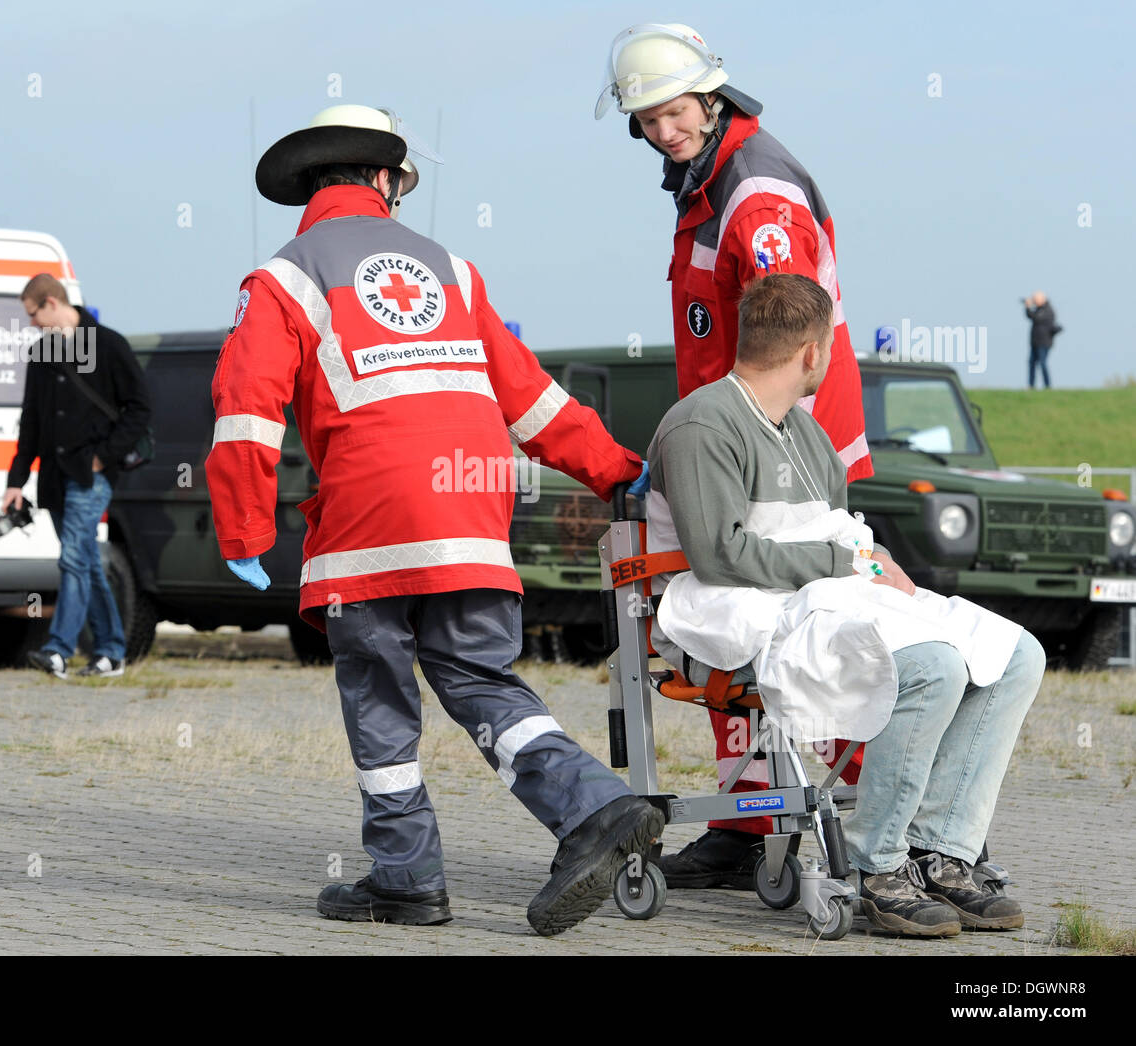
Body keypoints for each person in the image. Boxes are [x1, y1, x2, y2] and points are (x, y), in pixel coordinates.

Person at [206, 104, 661, 936]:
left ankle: (407, 878)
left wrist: (243, 535)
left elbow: (246, 414)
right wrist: (621, 472)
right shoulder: (454, 271)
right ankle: (593, 809)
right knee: (484, 682)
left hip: (368, 526)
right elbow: (534, 402)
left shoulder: (281, 277)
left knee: (380, 698)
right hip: (472, 517)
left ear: (312, 187)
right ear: (381, 180)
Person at [646, 273, 1043, 936]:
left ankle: (940, 853)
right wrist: (844, 563)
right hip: (725, 620)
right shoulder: (701, 424)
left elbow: (834, 533)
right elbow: (719, 556)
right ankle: (878, 869)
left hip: (817, 599)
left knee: (1015, 656)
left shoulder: (805, 436)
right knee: (934, 666)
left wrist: (873, 560)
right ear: (812, 353)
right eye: (829, 349)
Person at [595, 21, 873, 888]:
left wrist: (748, 448)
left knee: (791, 633)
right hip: (741, 440)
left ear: (711, 97)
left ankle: (831, 813)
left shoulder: (751, 193)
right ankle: (753, 816)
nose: (661, 131)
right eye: (645, 120)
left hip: (777, 446)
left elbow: (787, 332)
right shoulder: (710, 183)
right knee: (740, 632)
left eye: (673, 113)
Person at [3, 274, 151, 679]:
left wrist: (104, 458)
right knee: (84, 562)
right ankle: (111, 653)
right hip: (53, 479)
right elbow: (30, 423)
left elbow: (141, 408)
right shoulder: (41, 353)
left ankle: (57, 650)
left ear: (51, 303)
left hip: (91, 477)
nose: (31, 324)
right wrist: (15, 482)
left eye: (33, 314)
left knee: (72, 558)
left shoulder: (109, 344)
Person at [1024, 290, 1061, 388]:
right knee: (1032, 363)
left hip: (1044, 342)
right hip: (1035, 342)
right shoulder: (1038, 309)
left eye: (1035, 299)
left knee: (1043, 363)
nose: (1034, 302)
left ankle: (1047, 385)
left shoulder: (1048, 310)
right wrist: (1027, 308)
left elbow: (1036, 318)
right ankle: (1031, 385)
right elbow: (1031, 317)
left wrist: (1028, 307)